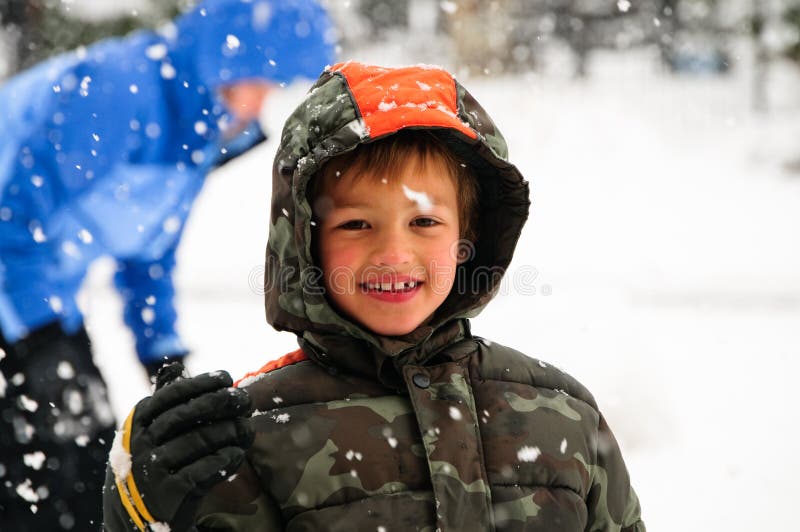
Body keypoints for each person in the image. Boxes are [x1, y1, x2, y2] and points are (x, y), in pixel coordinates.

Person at [102, 62, 646, 531]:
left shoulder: (564, 415)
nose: (392, 253)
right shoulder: (252, 434)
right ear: (305, 241)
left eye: (425, 221)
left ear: (468, 238)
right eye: (358, 224)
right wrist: (141, 510)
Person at [0, 0, 334, 530]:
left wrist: (162, 355)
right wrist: (40, 338)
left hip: (38, 296)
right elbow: (16, 217)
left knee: (88, 462)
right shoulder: (117, 90)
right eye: (250, 79)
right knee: (38, 469)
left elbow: (149, 250)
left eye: (269, 85)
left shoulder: (196, 131)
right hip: (22, 291)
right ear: (216, 60)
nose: (256, 100)